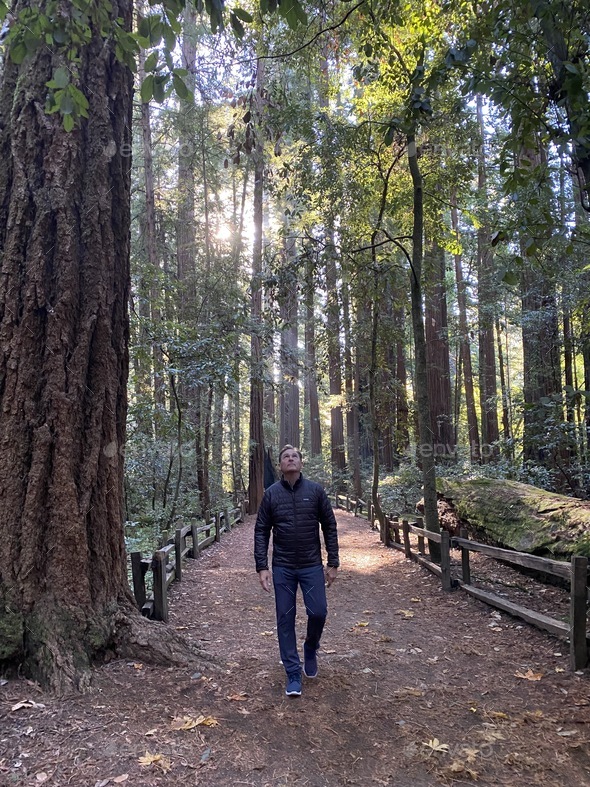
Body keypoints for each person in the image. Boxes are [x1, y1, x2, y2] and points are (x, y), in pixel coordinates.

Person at [254, 444, 340, 697]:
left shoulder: (315, 491)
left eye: (294, 456)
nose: (290, 460)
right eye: (285, 457)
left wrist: (332, 562)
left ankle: (311, 647)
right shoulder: (271, 494)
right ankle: (293, 671)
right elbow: (261, 531)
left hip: (311, 565)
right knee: (285, 617)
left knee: (318, 612)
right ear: (280, 465)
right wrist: (262, 566)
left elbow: (330, 526)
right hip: (283, 568)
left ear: (301, 463)